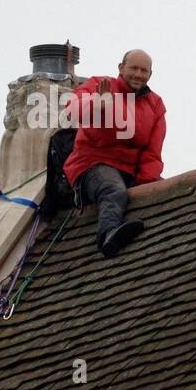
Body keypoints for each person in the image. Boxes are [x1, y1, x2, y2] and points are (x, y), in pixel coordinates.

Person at [62, 49, 167, 257]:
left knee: (167, 192)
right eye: (133, 68)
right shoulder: (100, 85)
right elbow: (72, 111)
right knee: (113, 190)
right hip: (93, 164)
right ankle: (108, 235)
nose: (138, 74)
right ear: (121, 68)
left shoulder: (155, 104)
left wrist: (147, 185)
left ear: (150, 75)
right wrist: (98, 105)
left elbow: (152, 152)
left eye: (144, 71)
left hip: (131, 171)